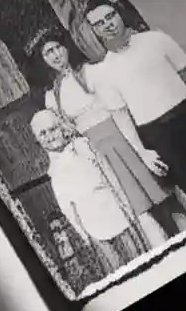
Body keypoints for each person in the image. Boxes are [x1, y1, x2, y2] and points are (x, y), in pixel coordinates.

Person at [83, 0, 186, 217]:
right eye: (98, 23)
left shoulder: (156, 39)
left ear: (119, 13)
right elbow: (122, 117)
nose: (107, 24)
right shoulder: (104, 71)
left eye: (110, 16)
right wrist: (143, 153)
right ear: (94, 31)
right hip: (159, 137)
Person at [30, 28, 175, 247]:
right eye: (47, 53)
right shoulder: (52, 97)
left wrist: (140, 150)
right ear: (43, 61)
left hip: (121, 139)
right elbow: (65, 136)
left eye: (57, 47)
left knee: (162, 200)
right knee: (137, 211)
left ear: (66, 47)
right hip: (97, 155)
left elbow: (120, 112)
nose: (55, 55)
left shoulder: (91, 72)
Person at [30, 110, 146, 271]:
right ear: (38, 140)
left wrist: (125, 205)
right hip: (92, 225)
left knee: (140, 259)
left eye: (53, 129)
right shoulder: (55, 172)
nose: (50, 136)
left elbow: (110, 176)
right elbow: (67, 208)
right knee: (116, 270)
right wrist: (83, 234)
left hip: (115, 211)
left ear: (62, 127)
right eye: (43, 134)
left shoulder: (83, 146)